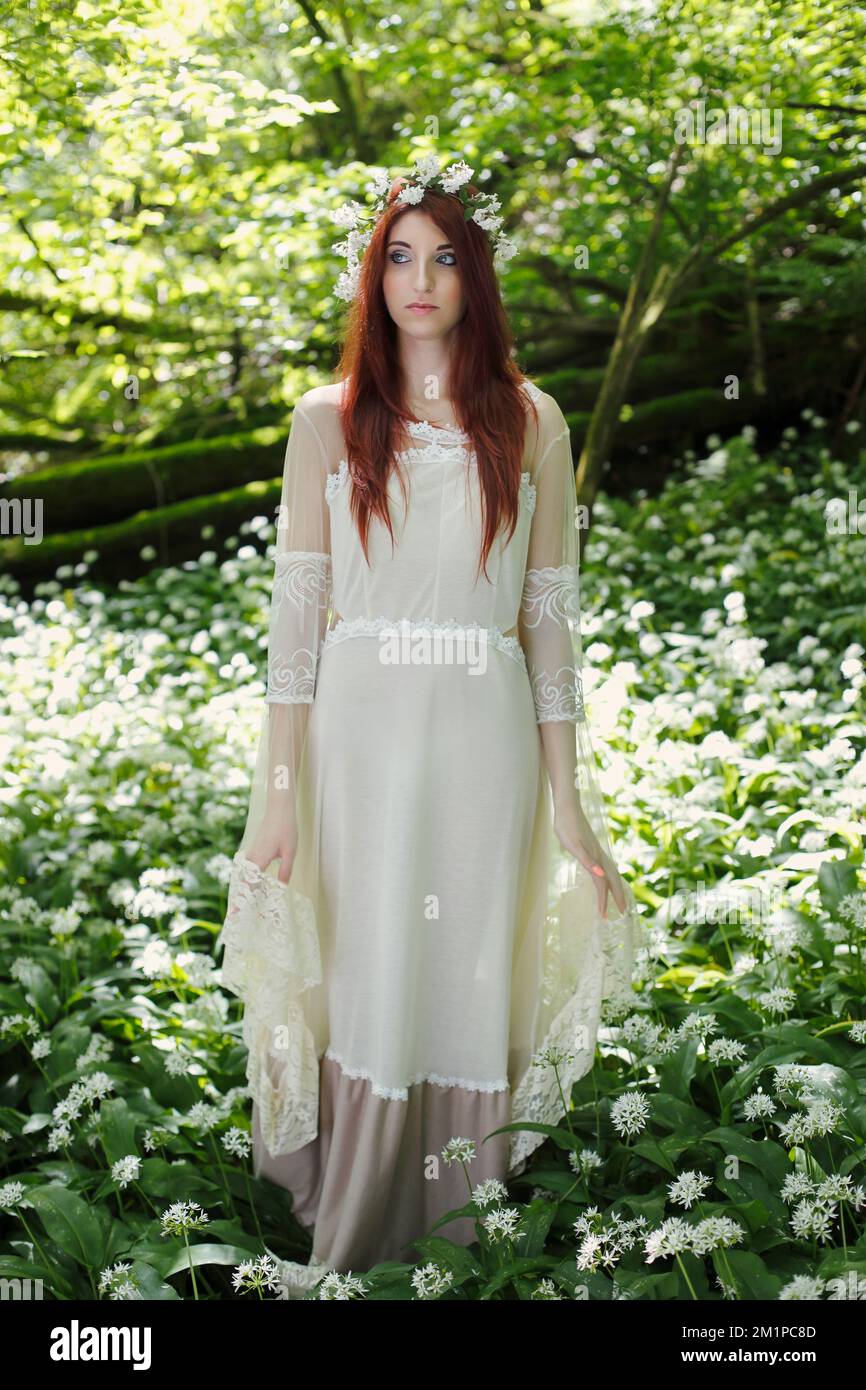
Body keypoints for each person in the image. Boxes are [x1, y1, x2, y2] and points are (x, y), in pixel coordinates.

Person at [216, 155, 643, 1298]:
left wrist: (569, 800)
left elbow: (547, 625)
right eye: (398, 257)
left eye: (443, 257)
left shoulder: (532, 419)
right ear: (374, 276)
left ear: (474, 275)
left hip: (482, 731)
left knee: (463, 956)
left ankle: (466, 1218)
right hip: (357, 736)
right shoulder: (326, 419)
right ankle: (353, 1206)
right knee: (365, 957)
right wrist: (276, 797)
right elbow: (295, 627)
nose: (420, 280)